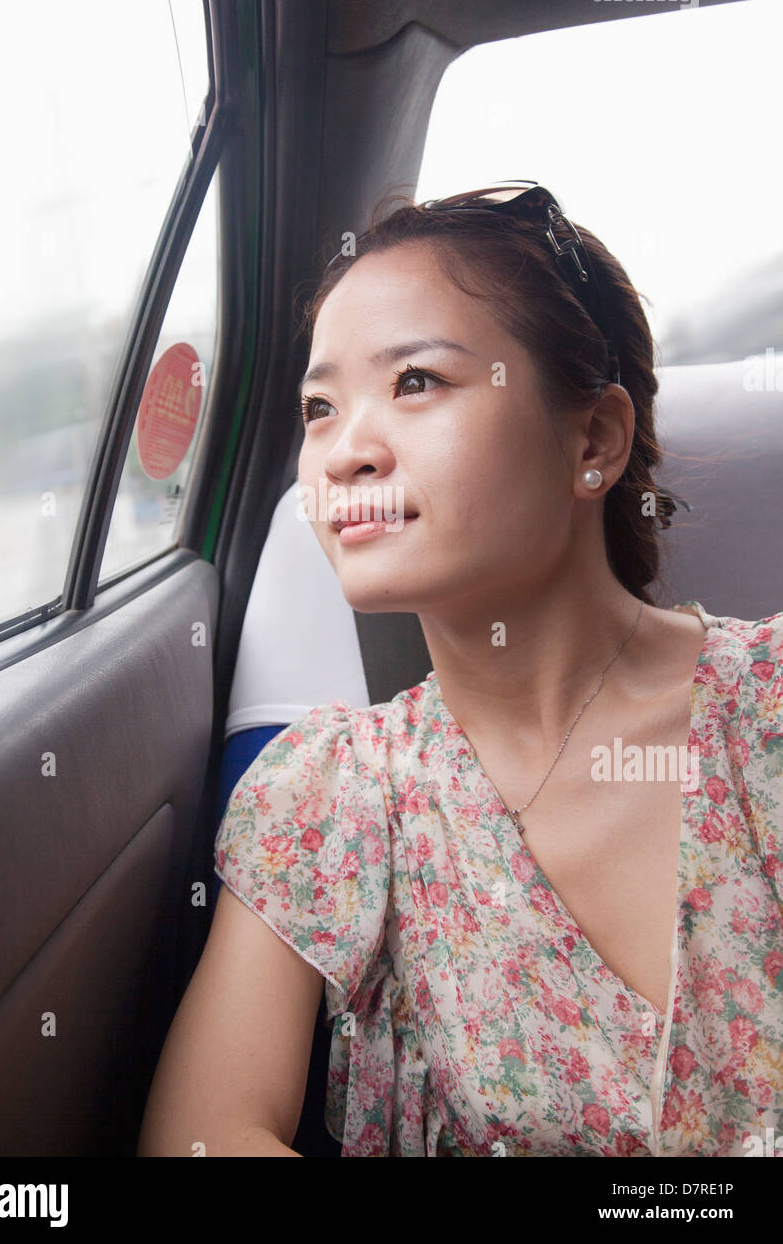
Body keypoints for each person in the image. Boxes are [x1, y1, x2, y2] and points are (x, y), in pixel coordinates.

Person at [137, 182, 783, 1157]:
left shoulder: (763, 707)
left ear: (592, 439)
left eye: (415, 382)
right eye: (317, 406)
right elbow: (204, 1133)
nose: (344, 449)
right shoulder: (336, 790)